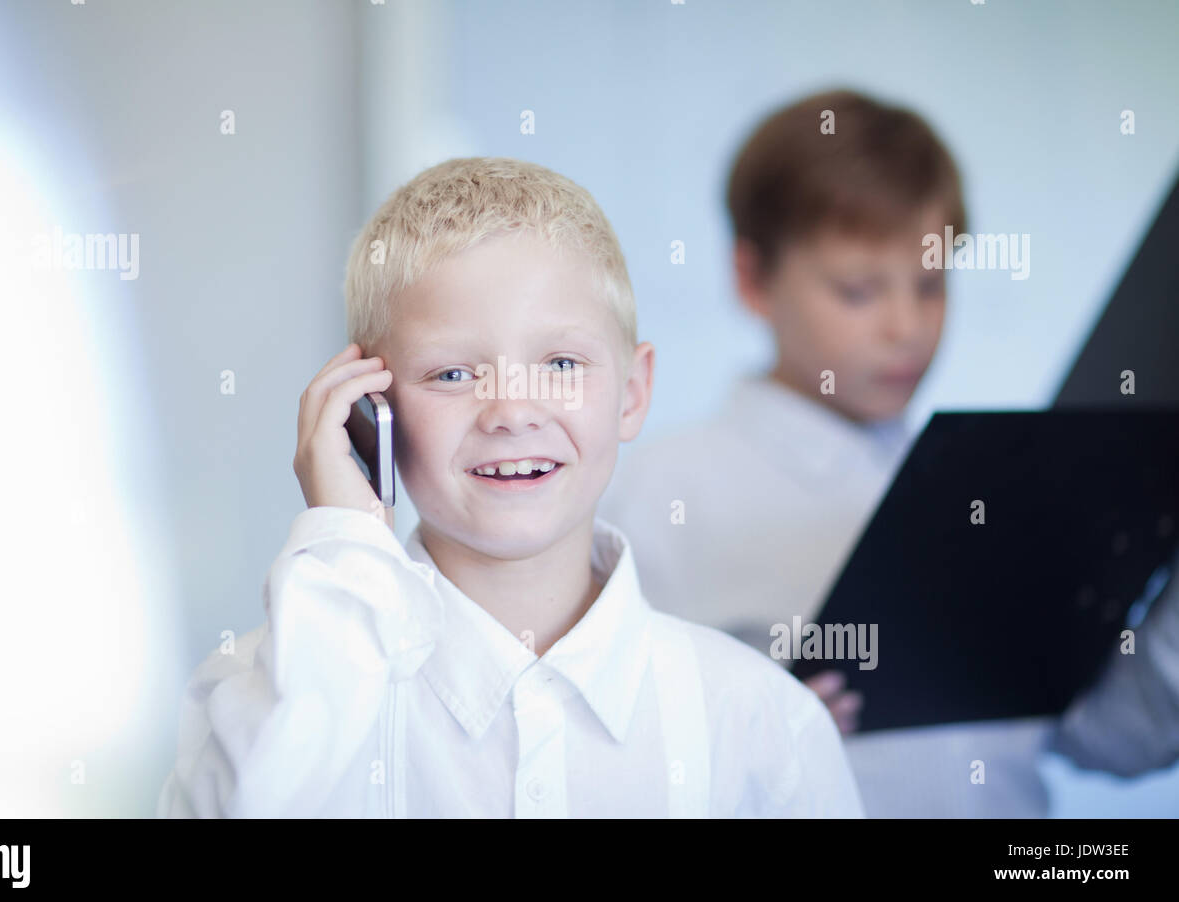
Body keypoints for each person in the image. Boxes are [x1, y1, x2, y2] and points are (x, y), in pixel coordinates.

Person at [157, 157, 864, 817]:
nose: (512, 411)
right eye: (453, 374)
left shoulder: (761, 721)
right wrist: (346, 538)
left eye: (560, 363)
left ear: (632, 392)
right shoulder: (266, 691)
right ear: (370, 411)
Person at [602, 91, 1060, 816]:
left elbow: (1112, 740)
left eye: (932, 284)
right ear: (754, 280)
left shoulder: (995, 499)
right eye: (857, 291)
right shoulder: (653, 499)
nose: (906, 326)